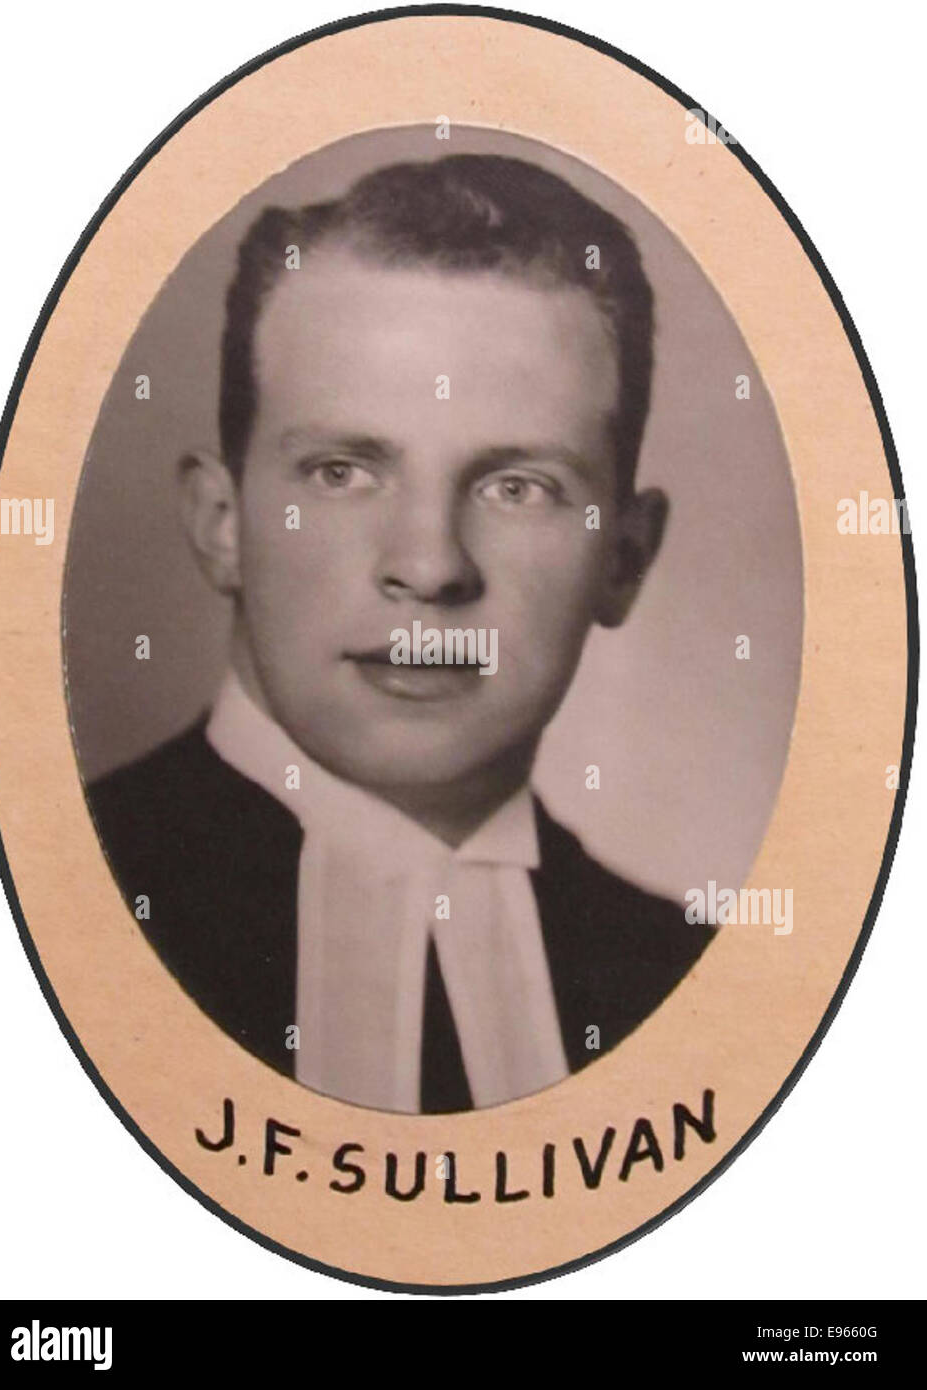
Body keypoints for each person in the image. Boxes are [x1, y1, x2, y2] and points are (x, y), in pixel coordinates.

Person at [88, 153, 714, 1114]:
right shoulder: (31, 907)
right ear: (224, 525)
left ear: (623, 559)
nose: (429, 567)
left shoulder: (702, 989)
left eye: (519, 488)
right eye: (343, 472)